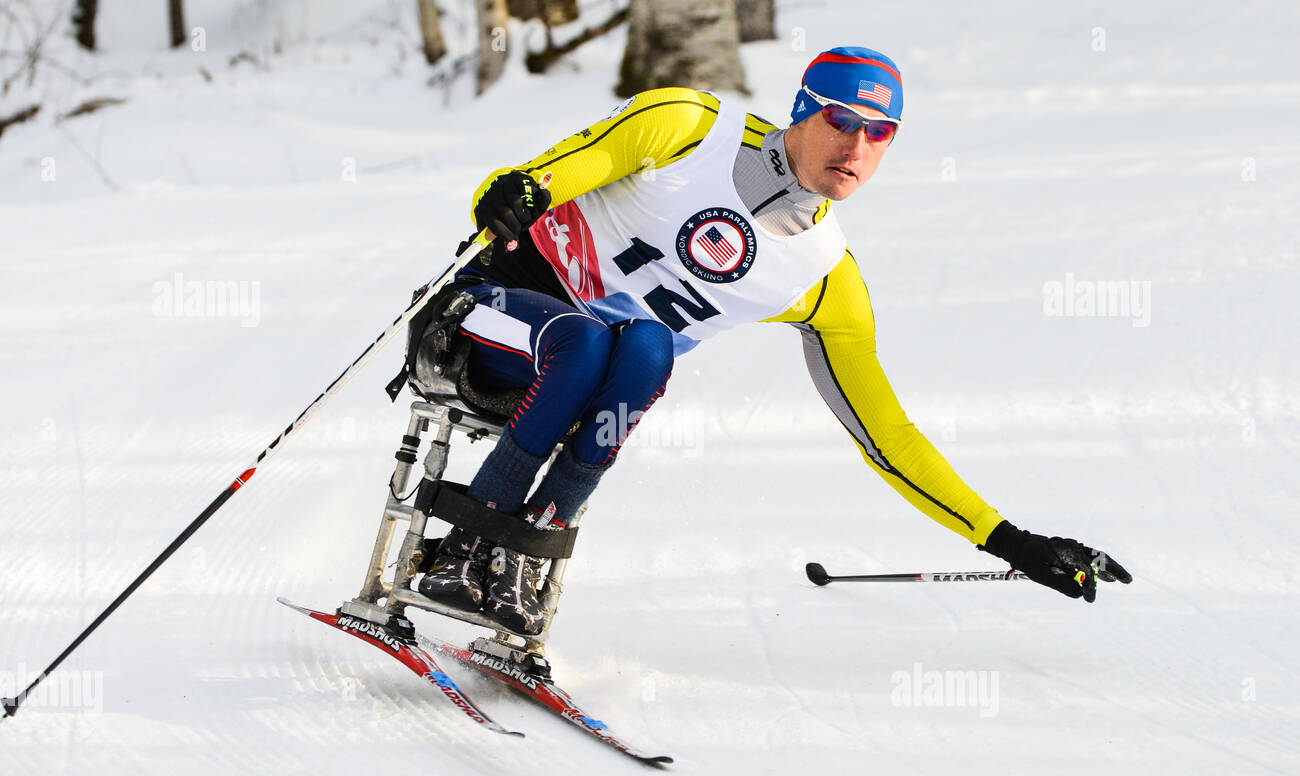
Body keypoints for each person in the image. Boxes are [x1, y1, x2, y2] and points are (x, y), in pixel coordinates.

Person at [417, 46, 1131, 648]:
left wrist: (1012, 541)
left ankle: (524, 551)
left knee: (646, 351)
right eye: (841, 121)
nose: (856, 147)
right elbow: (528, 181)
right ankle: (467, 543)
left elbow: (889, 436)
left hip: (590, 377)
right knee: (587, 337)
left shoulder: (823, 277)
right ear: (801, 110)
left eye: (879, 133)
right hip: (478, 325)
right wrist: (512, 196)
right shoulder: (687, 128)